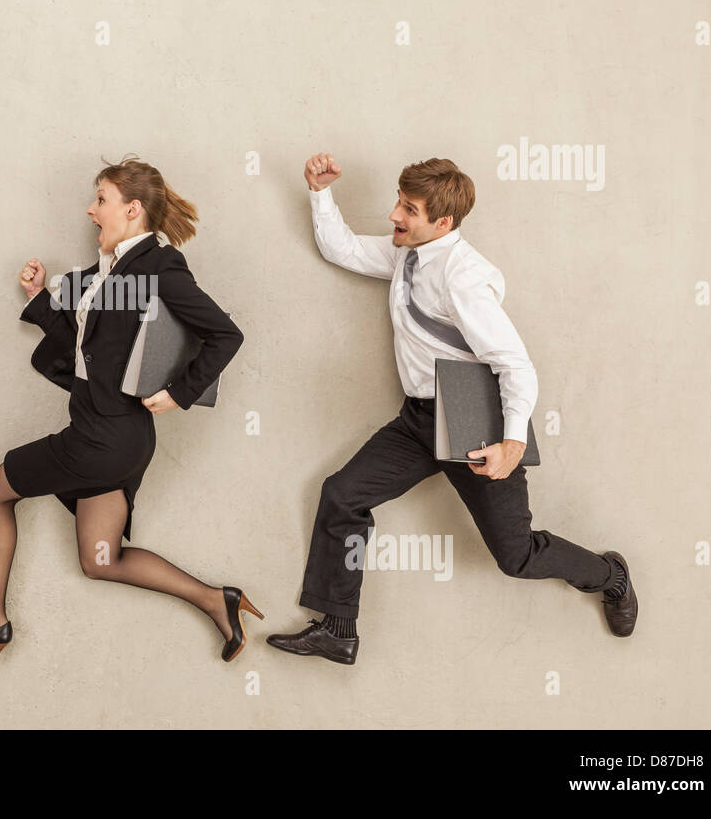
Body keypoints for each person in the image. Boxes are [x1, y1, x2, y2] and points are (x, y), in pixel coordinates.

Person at [266, 151, 638, 665]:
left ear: (443, 222)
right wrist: (319, 192)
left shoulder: (464, 278)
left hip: (474, 422)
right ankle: (338, 629)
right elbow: (343, 250)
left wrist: (510, 444)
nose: (395, 216)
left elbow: (516, 365)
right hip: (418, 419)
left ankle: (611, 576)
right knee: (342, 495)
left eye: (409, 210)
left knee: (516, 555)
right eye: (398, 202)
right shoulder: (407, 252)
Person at [0, 155, 258, 669]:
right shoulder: (106, 271)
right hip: (117, 437)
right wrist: (41, 299)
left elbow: (226, 334)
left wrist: (180, 392)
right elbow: (82, 350)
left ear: (131, 210)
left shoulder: (158, 266)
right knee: (100, 559)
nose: (90, 210)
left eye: (100, 200)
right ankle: (216, 599)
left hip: (104, 438)